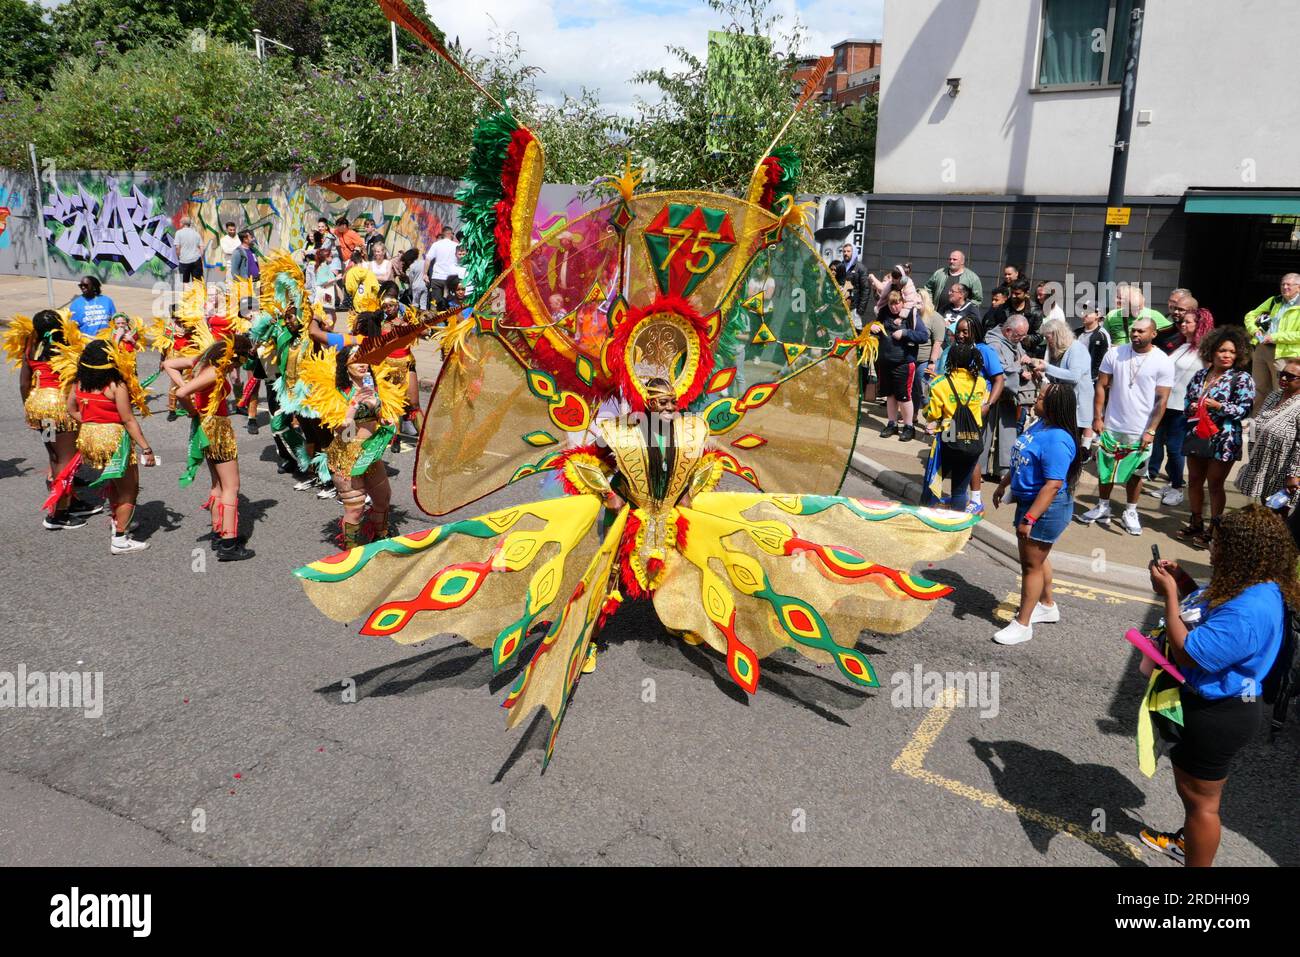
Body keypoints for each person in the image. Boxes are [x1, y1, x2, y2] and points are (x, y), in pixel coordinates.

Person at [1141, 505, 1295, 866]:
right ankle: (1188, 841)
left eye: (1216, 542)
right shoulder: (1254, 585)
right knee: (1196, 800)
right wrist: (1184, 584)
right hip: (1219, 705)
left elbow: (1188, 653)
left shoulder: (1248, 609)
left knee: (1202, 806)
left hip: (1215, 713)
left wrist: (1169, 597)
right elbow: (1212, 624)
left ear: (1242, 549)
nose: (1210, 547)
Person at [991, 383, 1082, 645]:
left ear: (1053, 406)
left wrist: (1030, 518)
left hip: (1045, 509)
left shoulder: (1058, 439)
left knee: (1031, 566)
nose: (1035, 399)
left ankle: (1023, 624)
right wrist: (1004, 483)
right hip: (1030, 503)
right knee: (1039, 559)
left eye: (1041, 397)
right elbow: (1023, 459)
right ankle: (1047, 605)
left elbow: (1053, 485)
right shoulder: (1040, 425)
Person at [4, 311, 102, 528]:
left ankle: (71, 501)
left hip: (39, 406)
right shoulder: (66, 348)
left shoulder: (31, 346)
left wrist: (30, 411)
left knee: (55, 455)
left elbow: (23, 384)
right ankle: (58, 514)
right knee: (66, 460)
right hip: (58, 407)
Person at [1080, 317, 1174, 535]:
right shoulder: (1115, 353)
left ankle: (1130, 511)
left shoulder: (1162, 360)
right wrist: (1097, 417)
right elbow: (1102, 385)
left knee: (1137, 472)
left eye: (1141, 331)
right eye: (1133, 330)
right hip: (1112, 424)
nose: (1135, 334)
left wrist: (1151, 430)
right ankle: (1103, 505)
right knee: (1106, 467)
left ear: (1153, 334)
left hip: (1140, 428)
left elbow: (1162, 400)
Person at [65, 338, 156, 554]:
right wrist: (146, 448)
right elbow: (128, 420)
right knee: (129, 489)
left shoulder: (78, 383)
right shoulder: (116, 385)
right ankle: (120, 539)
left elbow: (70, 409)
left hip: (89, 438)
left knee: (114, 483)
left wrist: (90, 422)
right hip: (113, 439)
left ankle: (119, 521)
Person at [172, 331, 256, 562]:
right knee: (231, 486)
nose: (239, 365)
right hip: (216, 429)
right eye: (240, 360)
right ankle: (228, 543)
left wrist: (195, 410)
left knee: (218, 484)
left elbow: (169, 365)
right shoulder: (214, 372)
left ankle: (219, 533)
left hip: (207, 429)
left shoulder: (205, 367)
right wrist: (193, 412)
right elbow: (181, 393)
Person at [1179, 327, 1255, 546]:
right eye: (1222, 350)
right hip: (1197, 434)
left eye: (1231, 352)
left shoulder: (1242, 378)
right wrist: (1192, 406)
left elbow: (1244, 409)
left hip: (1226, 438)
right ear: (1211, 352)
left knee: (1214, 484)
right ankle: (1195, 522)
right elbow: (1187, 401)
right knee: (1193, 480)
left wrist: (1219, 406)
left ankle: (1214, 528)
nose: (1227, 355)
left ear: (1238, 354)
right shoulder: (1201, 375)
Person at [1146, 298, 1212, 507]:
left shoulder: (1205, 350)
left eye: (1188, 322)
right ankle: (1172, 482)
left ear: (1200, 325)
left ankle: (1177, 487)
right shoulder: (1183, 345)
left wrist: (1201, 401)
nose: (1182, 325)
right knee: (1161, 444)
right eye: (1182, 322)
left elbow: (1212, 377)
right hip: (1166, 403)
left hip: (1183, 407)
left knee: (1175, 448)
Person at [1235, 358, 1300, 546]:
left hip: (1284, 467)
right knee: (1267, 508)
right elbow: (1260, 420)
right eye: (1282, 374)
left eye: (1290, 376)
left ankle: (1274, 552)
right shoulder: (1274, 396)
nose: (1284, 378)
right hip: (1263, 461)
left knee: (1278, 514)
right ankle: (1264, 547)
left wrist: (1295, 473)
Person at [923, 340, 987, 511]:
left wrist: (926, 415)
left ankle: (927, 519)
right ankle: (956, 532)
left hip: (948, 434)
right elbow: (982, 405)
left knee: (933, 482)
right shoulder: (980, 382)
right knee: (959, 490)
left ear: (950, 359)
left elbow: (933, 414)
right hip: (973, 438)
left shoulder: (940, 383)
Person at [873, 289, 929, 441]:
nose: (894, 307)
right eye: (891, 303)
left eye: (897, 303)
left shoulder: (911, 314)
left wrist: (904, 333)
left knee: (904, 397)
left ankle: (909, 427)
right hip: (885, 362)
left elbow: (924, 336)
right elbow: (875, 330)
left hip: (903, 362)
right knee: (890, 395)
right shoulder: (884, 312)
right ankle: (892, 424)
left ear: (903, 302)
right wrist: (873, 329)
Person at [1023, 318, 1092, 441]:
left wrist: (1047, 368)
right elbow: (1056, 376)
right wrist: (1040, 374)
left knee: (1070, 443)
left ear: (1058, 335)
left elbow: (1074, 376)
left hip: (1075, 407)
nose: (1047, 341)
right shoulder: (1057, 350)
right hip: (1062, 407)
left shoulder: (1076, 349)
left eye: (1048, 337)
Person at [983, 315, 1031, 488]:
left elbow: (1022, 357)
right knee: (985, 431)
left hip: (1009, 396)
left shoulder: (1013, 340)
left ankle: (1003, 470)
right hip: (992, 392)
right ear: (1008, 331)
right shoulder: (994, 342)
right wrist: (1019, 368)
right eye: (1019, 336)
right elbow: (999, 368)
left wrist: (1026, 365)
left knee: (1008, 431)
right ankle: (978, 468)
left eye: (1023, 336)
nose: (1021, 339)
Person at [1244, 272, 1300, 416]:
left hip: (1284, 354)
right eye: (1283, 284)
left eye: (1289, 284)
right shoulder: (1274, 300)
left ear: (1298, 287)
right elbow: (1250, 315)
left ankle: (1275, 424)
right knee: (1259, 389)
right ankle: (1253, 426)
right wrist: (1254, 330)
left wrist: (1275, 337)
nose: (1285, 287)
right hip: (1262, 349)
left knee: (1281, 391)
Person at [912, 290, 948, 425]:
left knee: (925, 391)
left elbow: (938, 342)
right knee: (913, 390)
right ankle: (913, 415)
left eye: (919, 300)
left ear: (925, 300)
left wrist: (932, 362)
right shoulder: (913, 315)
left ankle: (932, 421)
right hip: (912, 358)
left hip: (927, 360)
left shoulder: (935, 317)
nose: (916, 303)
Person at [1103, 283, 1169, 346]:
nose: (1136, 311)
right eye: (1133, 308)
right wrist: (1112, 348)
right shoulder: (1112, 315)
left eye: (1139, 307)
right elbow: (1103, 338)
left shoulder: (1154, 315)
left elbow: (1174, 333)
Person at [1073, 302, 1111, 383]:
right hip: (1075, 378)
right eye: (1083, 311)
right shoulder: (1076, 332)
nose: (1084, 314)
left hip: (1093, 381)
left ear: (1097, 315)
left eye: (1088, 312)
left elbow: (1106, 359)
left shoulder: (1102, 335)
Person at [426, 226, 460, 306]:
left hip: (437, 278)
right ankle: (448, 317)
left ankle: (436, 316)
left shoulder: (436, 244)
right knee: (450, 304)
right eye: (453, 234)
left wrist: (424, 274)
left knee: (436, 304)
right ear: (450, 234)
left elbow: (428, 259)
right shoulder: (456, 246)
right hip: (450, 279)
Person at [229, 230, 260, 316]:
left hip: (256, 282)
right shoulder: (238, 252)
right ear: (245, 239)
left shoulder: (252, 250)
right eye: (251, 237)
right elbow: (234, 271)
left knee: (256, 307)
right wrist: (242, 284)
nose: (253, 238)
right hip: (246, 284)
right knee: (246, 309)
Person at [174, 216, 204, 285]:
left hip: (184, 261)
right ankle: (197, 295)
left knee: (185, 283)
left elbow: (177, 247)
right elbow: (201, 247)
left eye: (180, 222)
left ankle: (186, 295)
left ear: (183, 223)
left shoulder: (178, 233)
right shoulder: (196, 233)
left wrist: (178, 257)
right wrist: (200, 257)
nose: (179, 223)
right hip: (196, 260)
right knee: (197, 282)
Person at [218, 222, 240, 287]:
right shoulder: (223, 240)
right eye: (231, 230)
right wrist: (238, 250)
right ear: (227, 230)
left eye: (234, 230)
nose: (232, 231)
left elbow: (242, 248)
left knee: (240, 283)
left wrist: (236, 250)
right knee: (230, 284)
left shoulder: (239, 238)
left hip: (240, 265)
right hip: (230, 265)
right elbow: (226, 250)